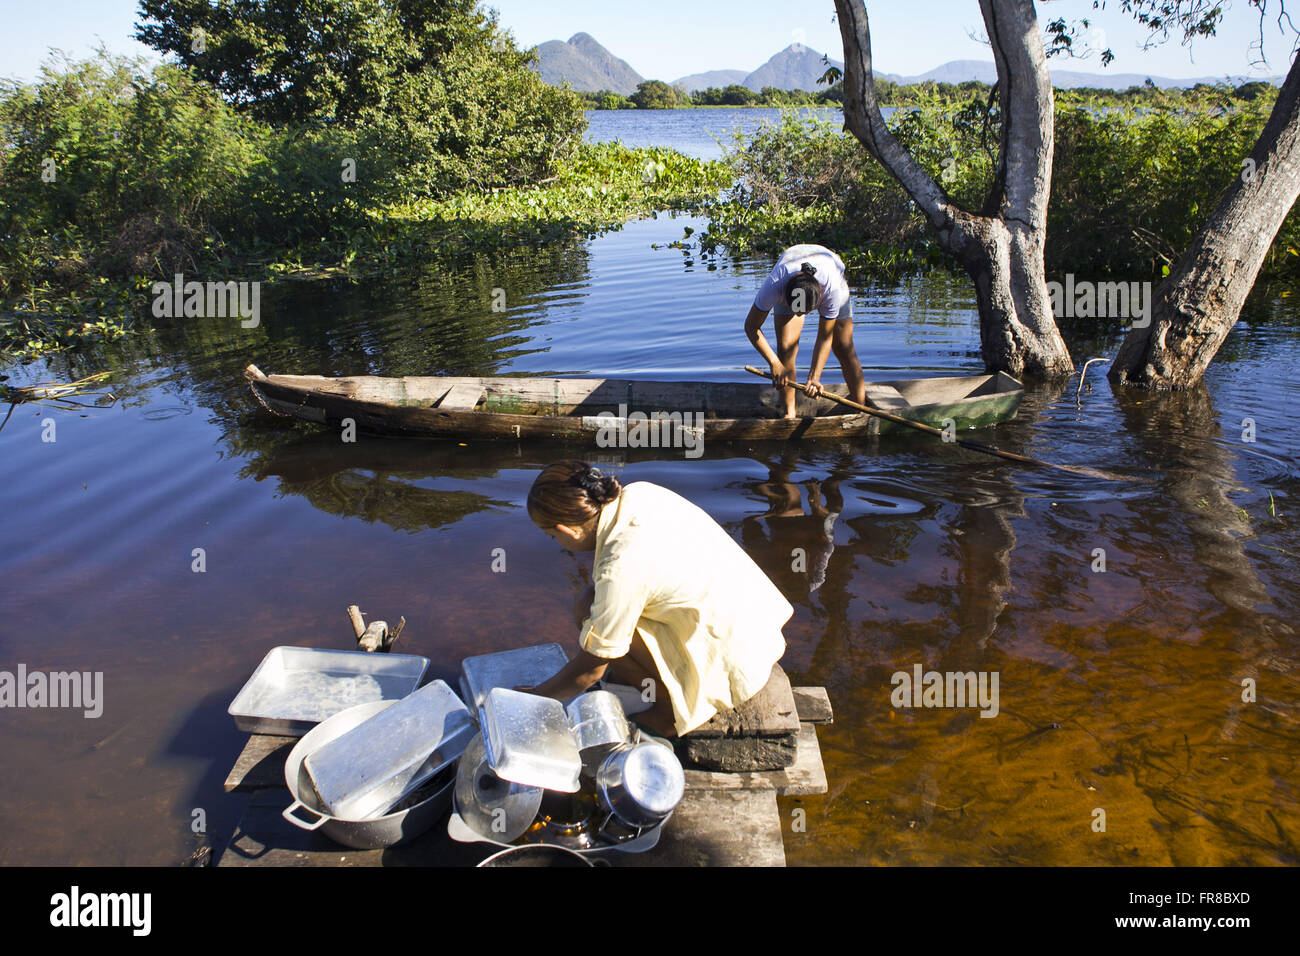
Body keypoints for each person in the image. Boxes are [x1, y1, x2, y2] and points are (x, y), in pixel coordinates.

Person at [519, 460, 792, 739]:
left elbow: (591, 670)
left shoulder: (620, 568)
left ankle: (667, 712)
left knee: (590, 614)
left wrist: (537, 697)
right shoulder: (640, 493)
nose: (556, 541)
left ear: (569, 530)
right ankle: (646, 681)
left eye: (552, 536)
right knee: (598, 603)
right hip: (757, 632)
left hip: (734, 663)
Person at [744, 243, 867, 418]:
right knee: (786, 349)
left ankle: (860, 410)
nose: (799, 315)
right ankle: (789, 413)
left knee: (843, 346)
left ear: (818, 303)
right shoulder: (775, 285)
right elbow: (751, 326)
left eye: (804, 313)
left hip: (830, 271)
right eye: (795, 310)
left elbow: (825, 337)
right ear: (784, 296)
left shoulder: (831, 290)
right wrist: (775, 363)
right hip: (791, 272)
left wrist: (814, 377)